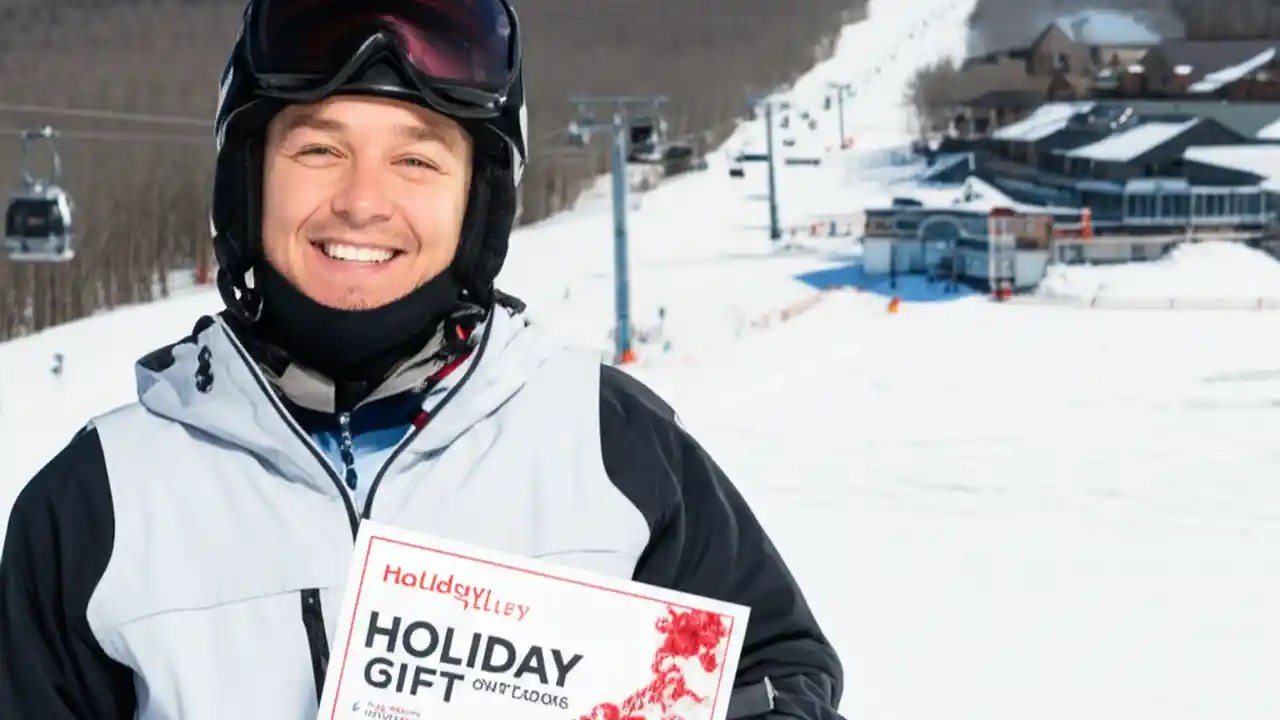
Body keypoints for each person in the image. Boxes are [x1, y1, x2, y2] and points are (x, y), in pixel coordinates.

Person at [0, 1, 846, 718]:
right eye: (319, 149)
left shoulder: (606, 445)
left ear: (475, 203)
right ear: (248, 180)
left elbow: (777, 671)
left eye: (416, 159)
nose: (363, 203)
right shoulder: (99, 503)